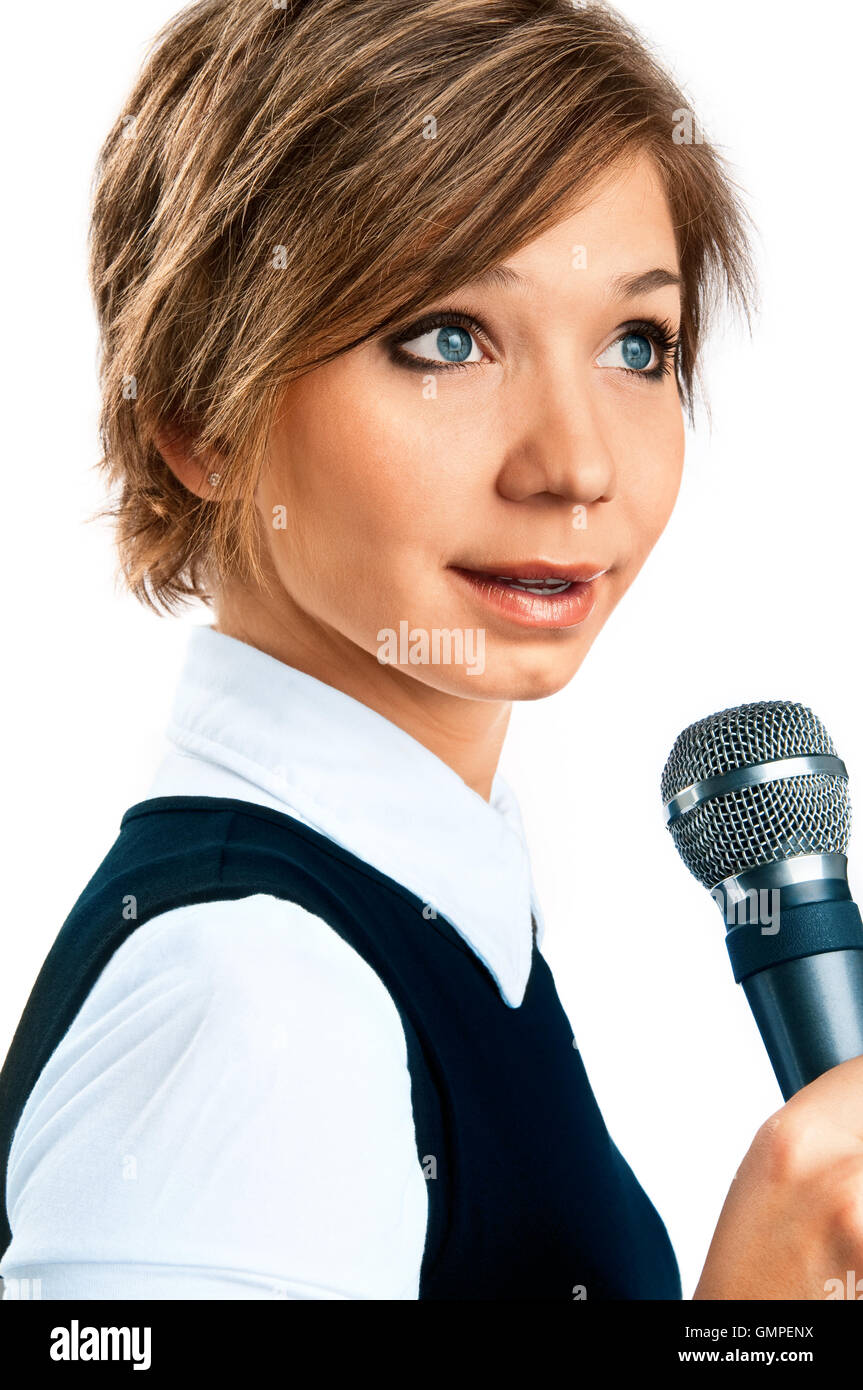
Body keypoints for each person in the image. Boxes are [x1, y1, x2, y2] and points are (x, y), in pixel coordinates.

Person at [4, 0, 860, 1302]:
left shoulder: (427, 900)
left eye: (639, 343)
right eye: (447, 339)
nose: (576, 463)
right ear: (197, 410)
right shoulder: (259, 995)